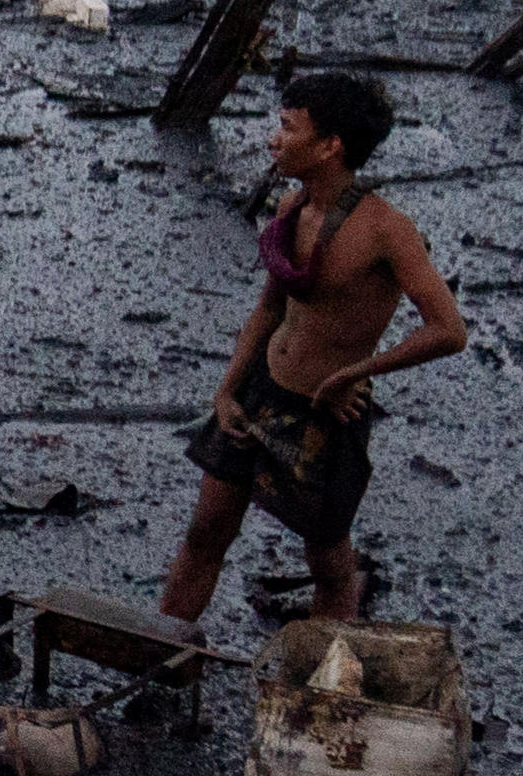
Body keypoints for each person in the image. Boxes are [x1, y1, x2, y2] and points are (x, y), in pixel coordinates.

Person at [155, 68, 466, 634]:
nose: (273, 139)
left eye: (287, 128)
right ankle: (157, 655)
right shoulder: (290, 209)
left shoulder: (388, 230)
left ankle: (323, 679)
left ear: (330, 145)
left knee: (327, 561)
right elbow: (270, 310)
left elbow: (448, 329)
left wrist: (356, 373)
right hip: (261, 392)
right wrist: (227, 392)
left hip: (326, 414)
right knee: (205, 534)